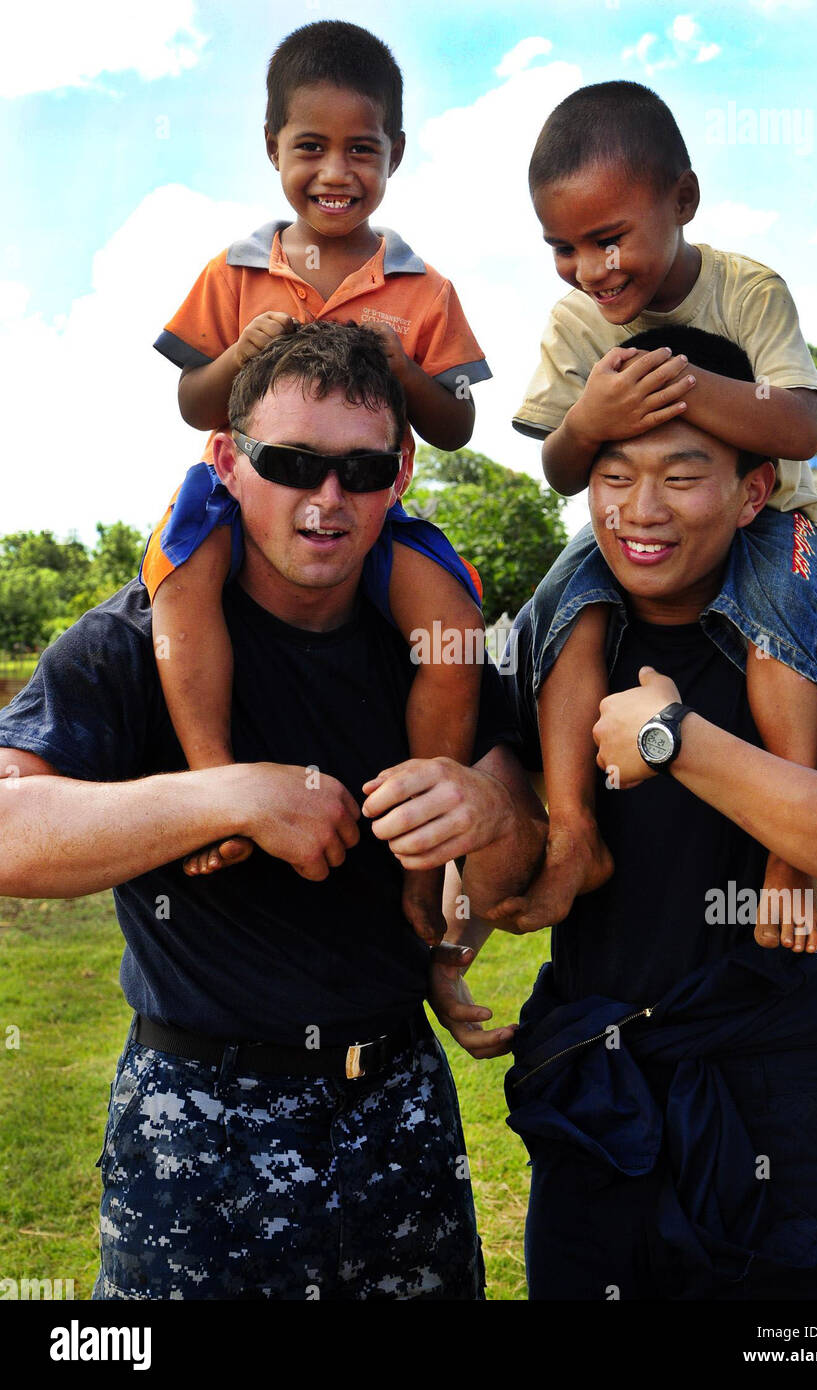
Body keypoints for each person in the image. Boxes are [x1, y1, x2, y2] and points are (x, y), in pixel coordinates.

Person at [0, 323, 545, 1301]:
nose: (326, 500)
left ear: (403, 470)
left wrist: (493, 812)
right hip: (196, 1117)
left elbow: (522, 885)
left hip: (398, 1104)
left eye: (360, 469)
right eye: (290, 463)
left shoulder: (437, 650)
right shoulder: (125, 647)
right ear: (227, 462)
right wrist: (231, 792)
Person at [492, 326, 817, 1300]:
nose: (639, 511)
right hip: (595, 1094)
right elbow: (496, 834)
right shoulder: (557, 645)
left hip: (779, 1096)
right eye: (613, 474)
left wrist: (678, 740)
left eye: (681, 476)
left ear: (753, 492)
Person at [145, 20, 491, 946]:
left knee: (454, 627)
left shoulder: (422, 289)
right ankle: (214, 784)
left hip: (369, 505)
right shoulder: (237, 269)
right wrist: (237, 361)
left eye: (361, 150)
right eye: (311, 147)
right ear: (273, 151)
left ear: (396, 156)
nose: (336, 172)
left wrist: (406, 373)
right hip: (241, 494)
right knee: (182, 585)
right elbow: (191, 401)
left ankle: (423, 849)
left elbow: (455, 424)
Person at [508, 81, 817, 943]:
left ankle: (787, 849)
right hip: (634, 530)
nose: (590, 270)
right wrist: (590, 423)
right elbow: (556, 466)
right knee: (564, 604)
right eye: (563, 247)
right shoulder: (575, 324)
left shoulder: (747, 291)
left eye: (610, 239)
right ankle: (575, 828)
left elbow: (801, 425)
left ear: (682, 200)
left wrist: (679, 379)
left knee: (780, 607)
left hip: (765, 516)